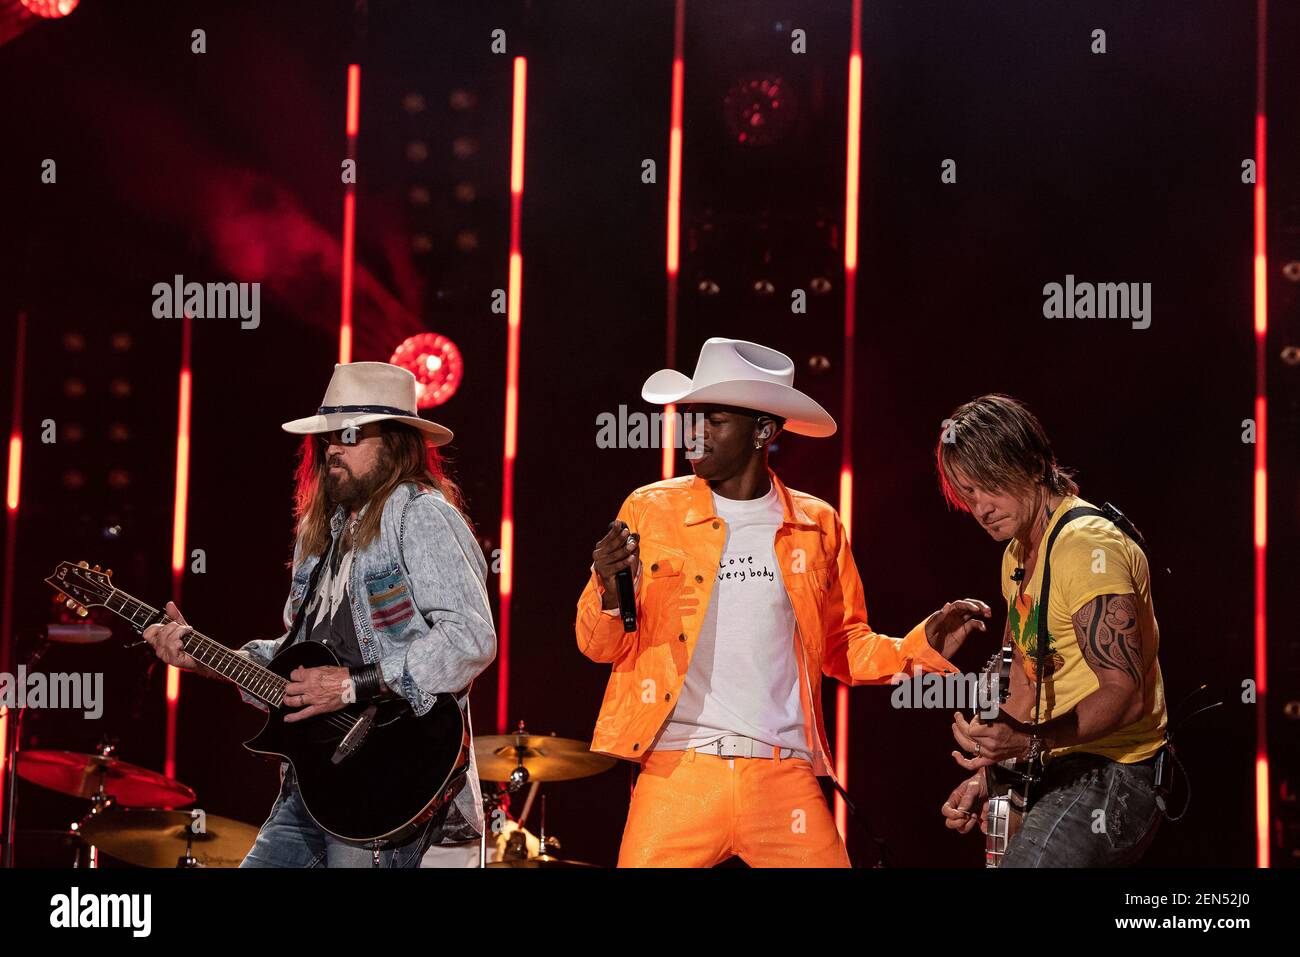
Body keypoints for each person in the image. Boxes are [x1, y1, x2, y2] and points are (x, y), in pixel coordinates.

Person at [576, 337, 991, 867]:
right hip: (677, 772)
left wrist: (918, 647)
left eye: (715, 420)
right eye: (693, 418)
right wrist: (609, 591)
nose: (694, 434)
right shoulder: (650, 509)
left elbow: (844, 646)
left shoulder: (815, 524)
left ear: (763, 432)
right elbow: (596, 647)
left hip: (782, 774)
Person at [144, 361, 496, 867]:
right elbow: (294, 663)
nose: (333, 448)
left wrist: (352, 685)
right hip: (311, 785)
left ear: (396, 442)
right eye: (330, 436)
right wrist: (198, 654)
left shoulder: (420, 514)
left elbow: (469, 639)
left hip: (385, 784)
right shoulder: (321, 537)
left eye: (351, 436)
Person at [936, 394, 1167, 866]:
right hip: (1054, 763)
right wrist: (993, 775)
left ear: (1037, 465)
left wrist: (1025, 742)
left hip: (1117, 772)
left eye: (989, 485)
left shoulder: (1085, 547)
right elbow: (1021, 679)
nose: (981, 508)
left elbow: (1126, 694)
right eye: (968, 494)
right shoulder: (1017, 556)